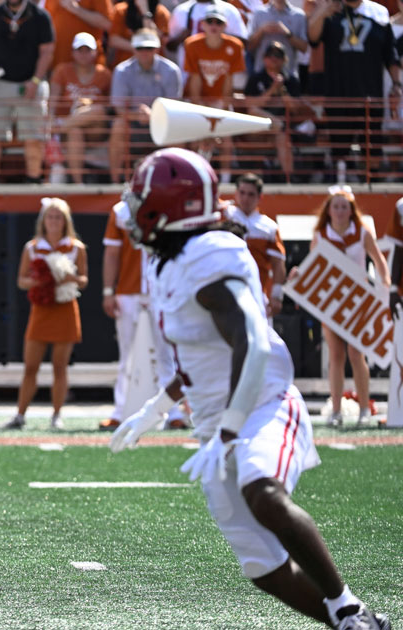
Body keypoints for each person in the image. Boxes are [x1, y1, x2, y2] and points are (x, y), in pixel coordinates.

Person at [111, 146, 392, 630]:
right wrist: (156, 407)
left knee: (261, 491)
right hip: (214, 417)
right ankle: (353, 623)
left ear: (167, 211)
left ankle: (344, 601)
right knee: (259, 562)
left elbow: (254, 347)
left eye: (142, 205)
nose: (132, 218)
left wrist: (228, 432)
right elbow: (202, 358)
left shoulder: (209, 257)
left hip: (263, 401)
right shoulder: (166, 263)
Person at [0, 198, 87, 430]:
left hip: (66, 308)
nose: (54, 221)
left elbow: (84, 280)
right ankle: (20, 415)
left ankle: (57, 415)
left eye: (59, 217)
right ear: (43, 220)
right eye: (50, 216)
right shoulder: (32, 247)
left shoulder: (76, 248)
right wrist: (39, 281)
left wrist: (70, 279)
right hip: (41, 309)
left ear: (65, 221)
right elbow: (21, 280)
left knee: (60, 366)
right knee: (31, 366)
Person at [99, 191, 181, 431]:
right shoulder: (120, 211)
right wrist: (108, 291)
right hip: (129, 290)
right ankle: (119, 410)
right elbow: (112, 252)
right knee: (127, 355)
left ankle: (174, 411)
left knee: (168, 354)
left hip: (160, 291)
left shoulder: (167, 206)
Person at [308, 187, 388, 426]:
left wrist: (385, 285)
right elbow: (313, 266)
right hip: (332, 302)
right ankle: (336, 412)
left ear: (351, 210)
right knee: (335, 355)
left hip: (358, 301)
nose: (341, 211)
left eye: (345, 207)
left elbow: (379, 260)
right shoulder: (321, 235)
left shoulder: (362, 233)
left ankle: (364, 409)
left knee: (356, 353)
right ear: (329, 210)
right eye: (336, 206)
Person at [307, 0, 401, 181]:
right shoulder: (331, 12)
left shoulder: (378, 13)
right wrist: (323, 11)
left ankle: (372, 182)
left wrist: (396, 84)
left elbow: (390, 54)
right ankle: (342, 182)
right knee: (340, 147)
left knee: (372, 145)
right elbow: (312, 38)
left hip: (370, 94)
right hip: (338, 93)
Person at [0, 0, 54, 184]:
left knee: (34, 136)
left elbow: (47, 52)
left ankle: (33, 180)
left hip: (30, 83)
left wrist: (35, 81)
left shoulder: (40, 16)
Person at [108, 29, 181, 183]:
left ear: (157, 49)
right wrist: (139, 116)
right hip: (133, 122)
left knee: (177, 130)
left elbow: (173, 107)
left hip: (164, 122)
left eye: (149, 48)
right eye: (140, 48)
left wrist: (153, 116)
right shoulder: (122, 71)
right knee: (118, 126)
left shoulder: (171, 71)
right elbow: (119, 108)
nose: (144, 52)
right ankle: (114, 182)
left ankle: (177, 178)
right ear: (133, 49)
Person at [182, 9, 243, 182]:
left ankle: (225, 179)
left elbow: (229, 81)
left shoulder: (235, 46)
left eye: (218, 22)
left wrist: (222, 111)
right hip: (198, 100)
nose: (214, 26)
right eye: (210, 22)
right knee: (196, 139)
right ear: (202, 25)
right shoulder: (192, 44)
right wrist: (200, 110)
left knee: (226, 140)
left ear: (225, 25)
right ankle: (195, 177)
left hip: (220, 100)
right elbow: (194, 79)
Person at [243, 41, 312, 183]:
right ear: (264, 58)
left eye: (278, 55)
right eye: (270, 55)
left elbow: (295, 108)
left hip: (281, 130)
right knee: (255, 111)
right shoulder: (256, 78)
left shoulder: (291, 80)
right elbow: (249, 106)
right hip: (257, 129)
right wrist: (272, 90)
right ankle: (277, 124)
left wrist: (283, 91)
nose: (274, 58)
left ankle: (288, 177)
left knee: (282, 136)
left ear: (284, 59)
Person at [49, 33, 111, 184]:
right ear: (72, 52)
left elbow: (109, 107)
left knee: (97, 110)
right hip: (70, 127)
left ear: (95, 53)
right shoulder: (62, 70)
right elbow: (53, 99)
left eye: (88, 50)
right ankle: (78, 183)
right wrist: (50, 117)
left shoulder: (104, 74)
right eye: (80, 50)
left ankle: (59, 128)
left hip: (94, 127)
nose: (84, 54)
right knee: (75, 131)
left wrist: (85, 108)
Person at [227, 173, 286, 317]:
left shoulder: (269, 227)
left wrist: (276, 295)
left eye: (251, 194)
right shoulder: (224, 215)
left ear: (260, 197)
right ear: (236, 193)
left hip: (256, 292)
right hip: (225, 290)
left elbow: (278, 264)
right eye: (242, 193)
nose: (245, 198)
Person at [246, 0, 307, 75]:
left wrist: (287, 33)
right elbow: (249, 46)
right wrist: (261, 31)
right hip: (261, 75)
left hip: (288, 74)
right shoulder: (259, 13)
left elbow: (304, 48)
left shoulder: (298, 15)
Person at [108, 0, 170, 67]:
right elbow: (114, 40)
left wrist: (145, 12)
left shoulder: (161, 12)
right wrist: (140, 49)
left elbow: (160, 40)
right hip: (126, 65)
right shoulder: (121, 10)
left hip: (154, 67)